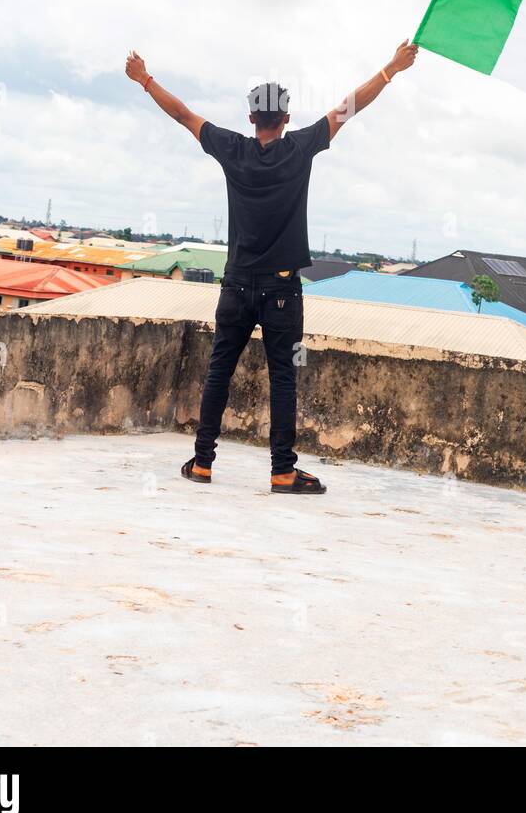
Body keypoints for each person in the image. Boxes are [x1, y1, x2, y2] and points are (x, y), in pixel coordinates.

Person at [125, 40, 418, 494]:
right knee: (283, 377)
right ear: (286, 118)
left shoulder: (231, 149)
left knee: (219, 370)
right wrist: (392, 69)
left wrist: (144, 79)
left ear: (250, 119)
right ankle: (283, 471)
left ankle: (202, 462)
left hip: (236, 286)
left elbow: (183, 114)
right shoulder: (300, 148)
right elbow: (348, 108)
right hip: (283, 290)